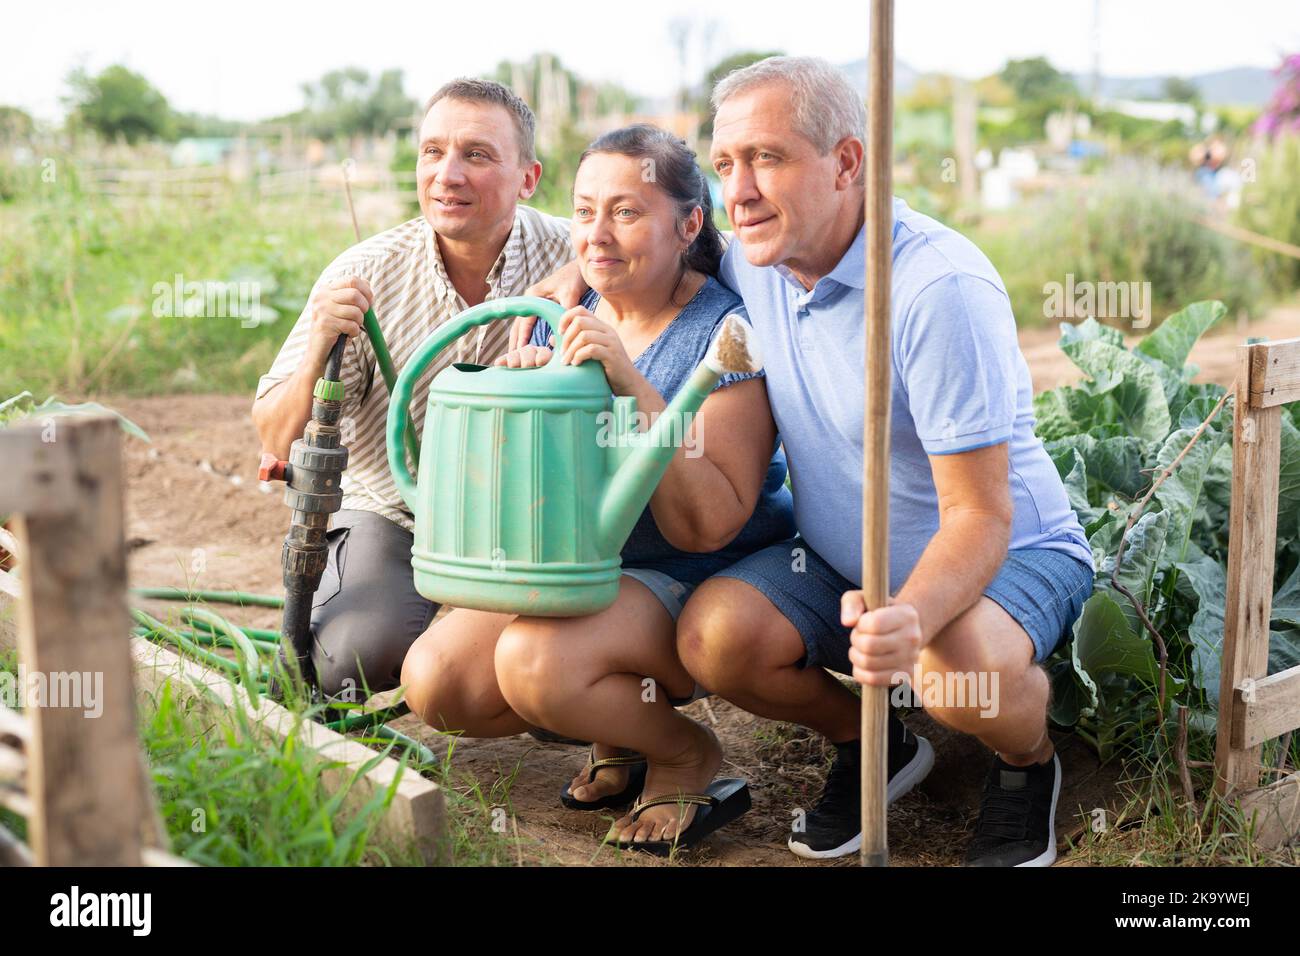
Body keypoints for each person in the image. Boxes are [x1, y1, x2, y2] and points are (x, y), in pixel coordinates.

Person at [520, 57, 1095, 867]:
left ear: (847, 162)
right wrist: (581, 267)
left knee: (955, 671)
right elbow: (653, 239)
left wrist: (912, 619)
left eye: (768, 158)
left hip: (1006, 552)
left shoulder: (937, 290)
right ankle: (878, 746)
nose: (740, 189)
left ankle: (1025, 766)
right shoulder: (754, 264)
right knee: (717, 637)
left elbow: (981, 515)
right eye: (724, 165)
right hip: (838, 560)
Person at [401, 124, 795, 853]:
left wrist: (630, 381)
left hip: (689, 579)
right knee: (436, 682)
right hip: (589, 572)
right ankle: (617, 731)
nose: (598, 234)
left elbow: (707, 523)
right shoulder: (569, 324)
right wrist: (525, 408)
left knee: (535, 665)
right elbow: (540, 496)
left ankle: (684, 753)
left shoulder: (726, 336)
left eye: (626, 212)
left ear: (688, 224)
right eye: (584, 213)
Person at [251, 78, 572, 702]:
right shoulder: (364, 271)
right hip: (396, 511)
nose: (447, 175)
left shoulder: (575, 249)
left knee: (552, 688)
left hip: (530, 513)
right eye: (433, 152)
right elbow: (273, 435)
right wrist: (319, 342)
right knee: (347, 666)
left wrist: (586, 265)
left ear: (528, 178)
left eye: (476, 155)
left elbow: (688, 244)